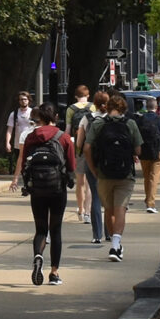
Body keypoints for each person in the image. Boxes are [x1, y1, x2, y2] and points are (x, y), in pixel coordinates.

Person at [13, 101, 76, 286]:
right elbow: (71, 165)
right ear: (56, 117)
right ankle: (54, 272)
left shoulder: (31, 137)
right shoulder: (63, 137)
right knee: (55, 230)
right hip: (57, 188)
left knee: (40, 229)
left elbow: (25, 164)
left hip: (37, 189)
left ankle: (38, 255)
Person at [89, 93, 142, 262]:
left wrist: (93, 169)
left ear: (107, 107)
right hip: (125, 173)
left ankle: (115, 244)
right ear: (124, 109)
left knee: (108, 210)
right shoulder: (130, 124)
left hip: (103, 173)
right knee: (121, 209)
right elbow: (138, 149)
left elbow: (86, 147)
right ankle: (116, 245)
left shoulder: (98, 123)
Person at [73, 89, 110, 245]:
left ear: (94, 103)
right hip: (109, 162)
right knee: (108, 197)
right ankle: (110, 232)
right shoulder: (112, 118)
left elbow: (79, 143)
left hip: (91, 160)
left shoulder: (86, 118)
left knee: (95, 195)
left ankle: (97, 235)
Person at [136, 97, 160, 214]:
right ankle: (150, 203)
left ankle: (148, 199)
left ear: (146, 107)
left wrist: (135, 152)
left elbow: (135, 137)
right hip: (158, 152)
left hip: (144, 152)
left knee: (147, 177)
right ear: (156, 107)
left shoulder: (140, 120)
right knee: (154, 177)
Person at [64, 84, 93, 224]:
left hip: (78, 148)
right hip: (91, 148)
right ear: (88, 95)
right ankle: (88, 212)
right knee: (89, 183)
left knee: (80, 182)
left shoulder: (71, 109)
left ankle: (80, 210)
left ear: (76, 96)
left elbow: (67, 130)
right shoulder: (93, 107)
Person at [4, 91, 35, 174]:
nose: (23, 101)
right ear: (18, 101)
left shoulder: (33, 113)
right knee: (20, 164)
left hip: (31, 143)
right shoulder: (14, 114)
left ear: (29, 100)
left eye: (25, 99)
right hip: (18, 144)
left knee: (30, 164)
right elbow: (9, 129)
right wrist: (7, 143)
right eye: (21, 99)